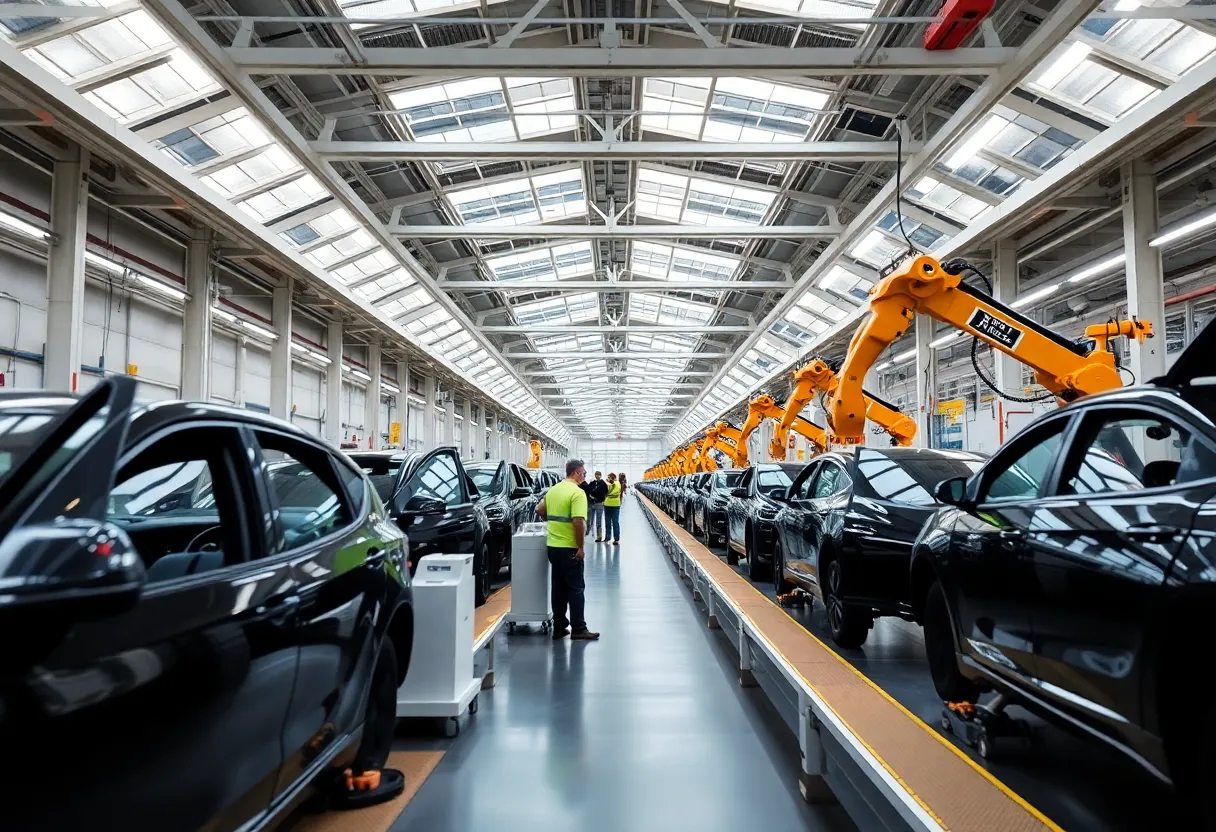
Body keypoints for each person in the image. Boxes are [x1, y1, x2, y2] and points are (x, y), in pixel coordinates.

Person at [535, 459, 600, 641]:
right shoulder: (577, 493)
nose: (584, 477)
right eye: (584, 474)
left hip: (553, 547)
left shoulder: (553, 490)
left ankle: (559, 627)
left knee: (558, 588)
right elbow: (578, 521)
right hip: (569, 548)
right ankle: (579, 628)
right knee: (576, 588)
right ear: (577, 473)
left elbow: (540, 510)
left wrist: (553, 523)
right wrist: (580, 546)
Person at [585, 471, 609, 542]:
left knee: (598, 520)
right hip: (591, 504)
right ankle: (587, 533)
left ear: (600, 475)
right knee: (589, 520)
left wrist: (602, 499)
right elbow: (588, 491)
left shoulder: (603, 483)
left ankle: (599, 536)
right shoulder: (592, 483)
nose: (597, 476)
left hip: (599, 503)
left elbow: (606, 492)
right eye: (596, 475)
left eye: (598, 475)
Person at [604, 472, 622, 546]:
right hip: (607, 504)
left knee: (615, 522)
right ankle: (607, 537)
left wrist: (608, 483)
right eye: (608, 477)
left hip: (615, 505)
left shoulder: (617, 483)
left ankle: (616, 538)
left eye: (609, 477)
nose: (608, 479)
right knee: (607, 522)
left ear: (613, 477)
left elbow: (612, 490)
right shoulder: (608, 484)